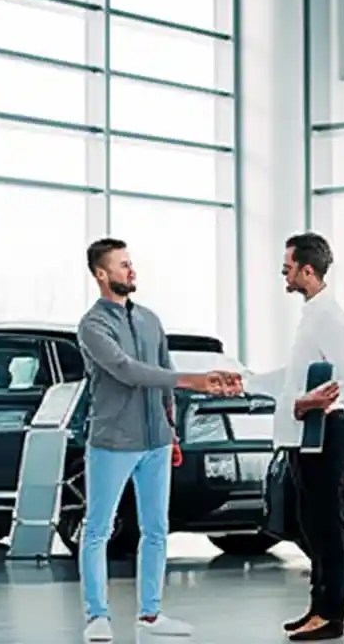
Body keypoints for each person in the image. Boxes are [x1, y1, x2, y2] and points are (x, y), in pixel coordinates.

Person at [75, 238, 241, 642]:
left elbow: (164, 375)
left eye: (131, 263)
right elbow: (127, 371)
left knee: (156, 528)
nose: (131, 270)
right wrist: (196, 380)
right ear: (102, 274)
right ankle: (97, 614)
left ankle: (150, 614)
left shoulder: (149, 319)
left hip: (156, 442)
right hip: (112, 441)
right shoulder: (92, 326)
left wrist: (172, 430)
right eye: (122, 265)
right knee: (98, 528)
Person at [274, 232, 344, 641]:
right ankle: (317, 608)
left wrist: (306, 404)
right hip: (305, 436)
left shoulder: (331, 317)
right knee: (310, 522)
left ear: (307, 271)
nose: (283, 273)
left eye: (288, 267)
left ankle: (332, 614)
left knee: (326, 525)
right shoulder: (312, 314)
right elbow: (301, 379)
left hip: (325, 433)